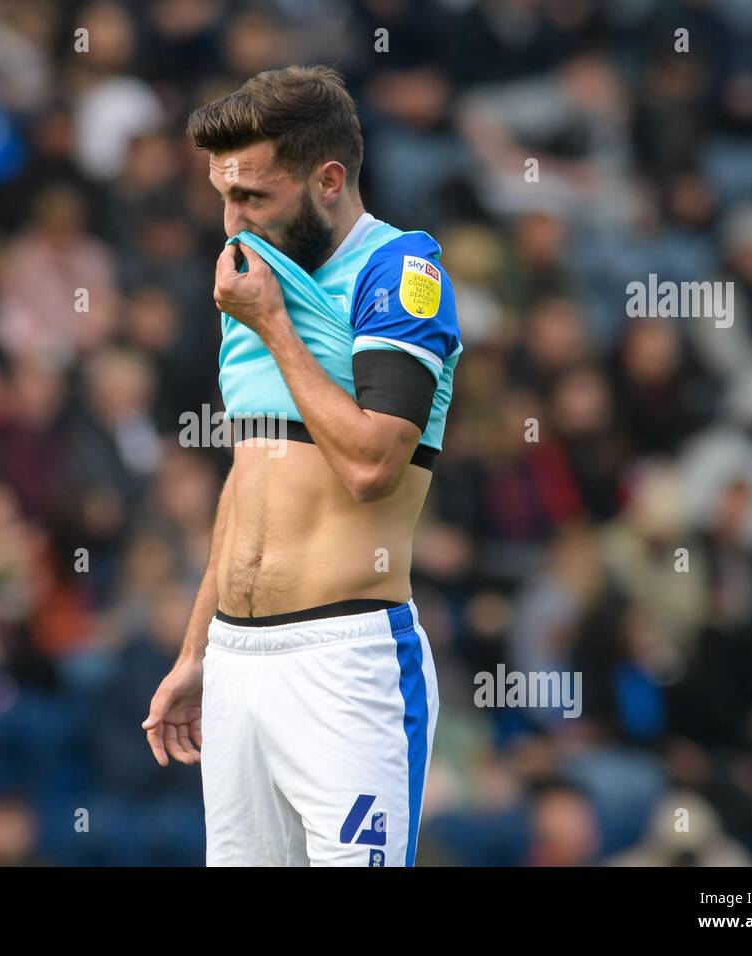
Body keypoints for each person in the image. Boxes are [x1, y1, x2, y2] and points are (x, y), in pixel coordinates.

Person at [142, 66, 462, 867]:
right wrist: (197, 652)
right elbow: (251, 480)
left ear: (327, 180)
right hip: (239, 664)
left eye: (253, 197)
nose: (232, 221)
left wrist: (277, 328)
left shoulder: (402, 274)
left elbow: (371, 466)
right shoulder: (252, 281)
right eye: (223, 196)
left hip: (346, 659)